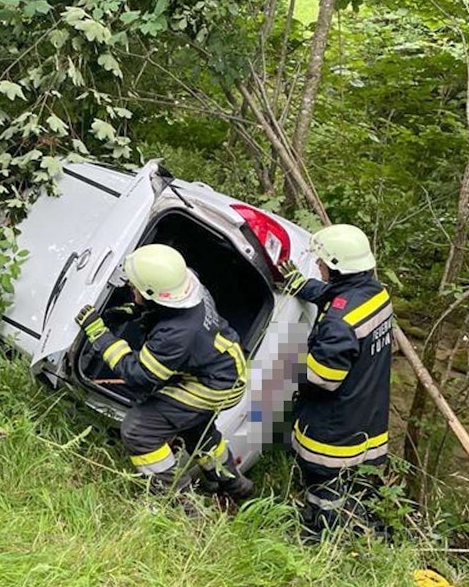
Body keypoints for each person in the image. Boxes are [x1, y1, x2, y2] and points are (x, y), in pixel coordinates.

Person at [75, 244, 255, 509]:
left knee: (139, 430)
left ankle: (185, 507)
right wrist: (139, 310)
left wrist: (100, 335)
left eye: (135, 286)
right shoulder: (187, 282)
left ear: (152, 293)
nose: (130, 287)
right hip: (225, 367)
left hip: (215, 386)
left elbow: (139, 374)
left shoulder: (176, 335)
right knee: (196, 428)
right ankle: (235, 485)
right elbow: (167, 313)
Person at [278, 224, 394, 539]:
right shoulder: (375, 294)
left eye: (321, 261)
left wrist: (284, 364)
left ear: (337, 266)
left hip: (332, 432)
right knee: (350, 485)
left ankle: (320, 535)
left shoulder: (339, 324)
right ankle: (351, 523)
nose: (317, 264)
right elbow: (335, 296)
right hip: (366, 416)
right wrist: (300, 285)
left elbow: (321, 379)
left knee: (324, 488)